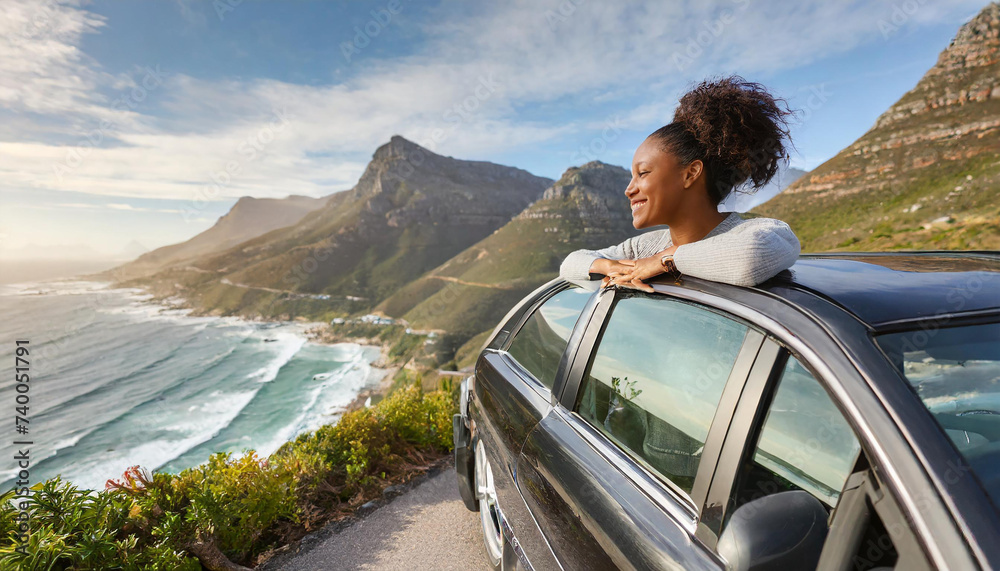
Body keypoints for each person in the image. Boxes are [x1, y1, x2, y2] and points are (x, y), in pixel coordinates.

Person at [559, 76, 801, 291]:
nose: (629, 189)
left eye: (643, 173)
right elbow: (571, 263)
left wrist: (664, 260)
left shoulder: (756, 234)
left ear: (690, 173)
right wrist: (609, 266)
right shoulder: (646, 246)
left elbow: (751, 259)